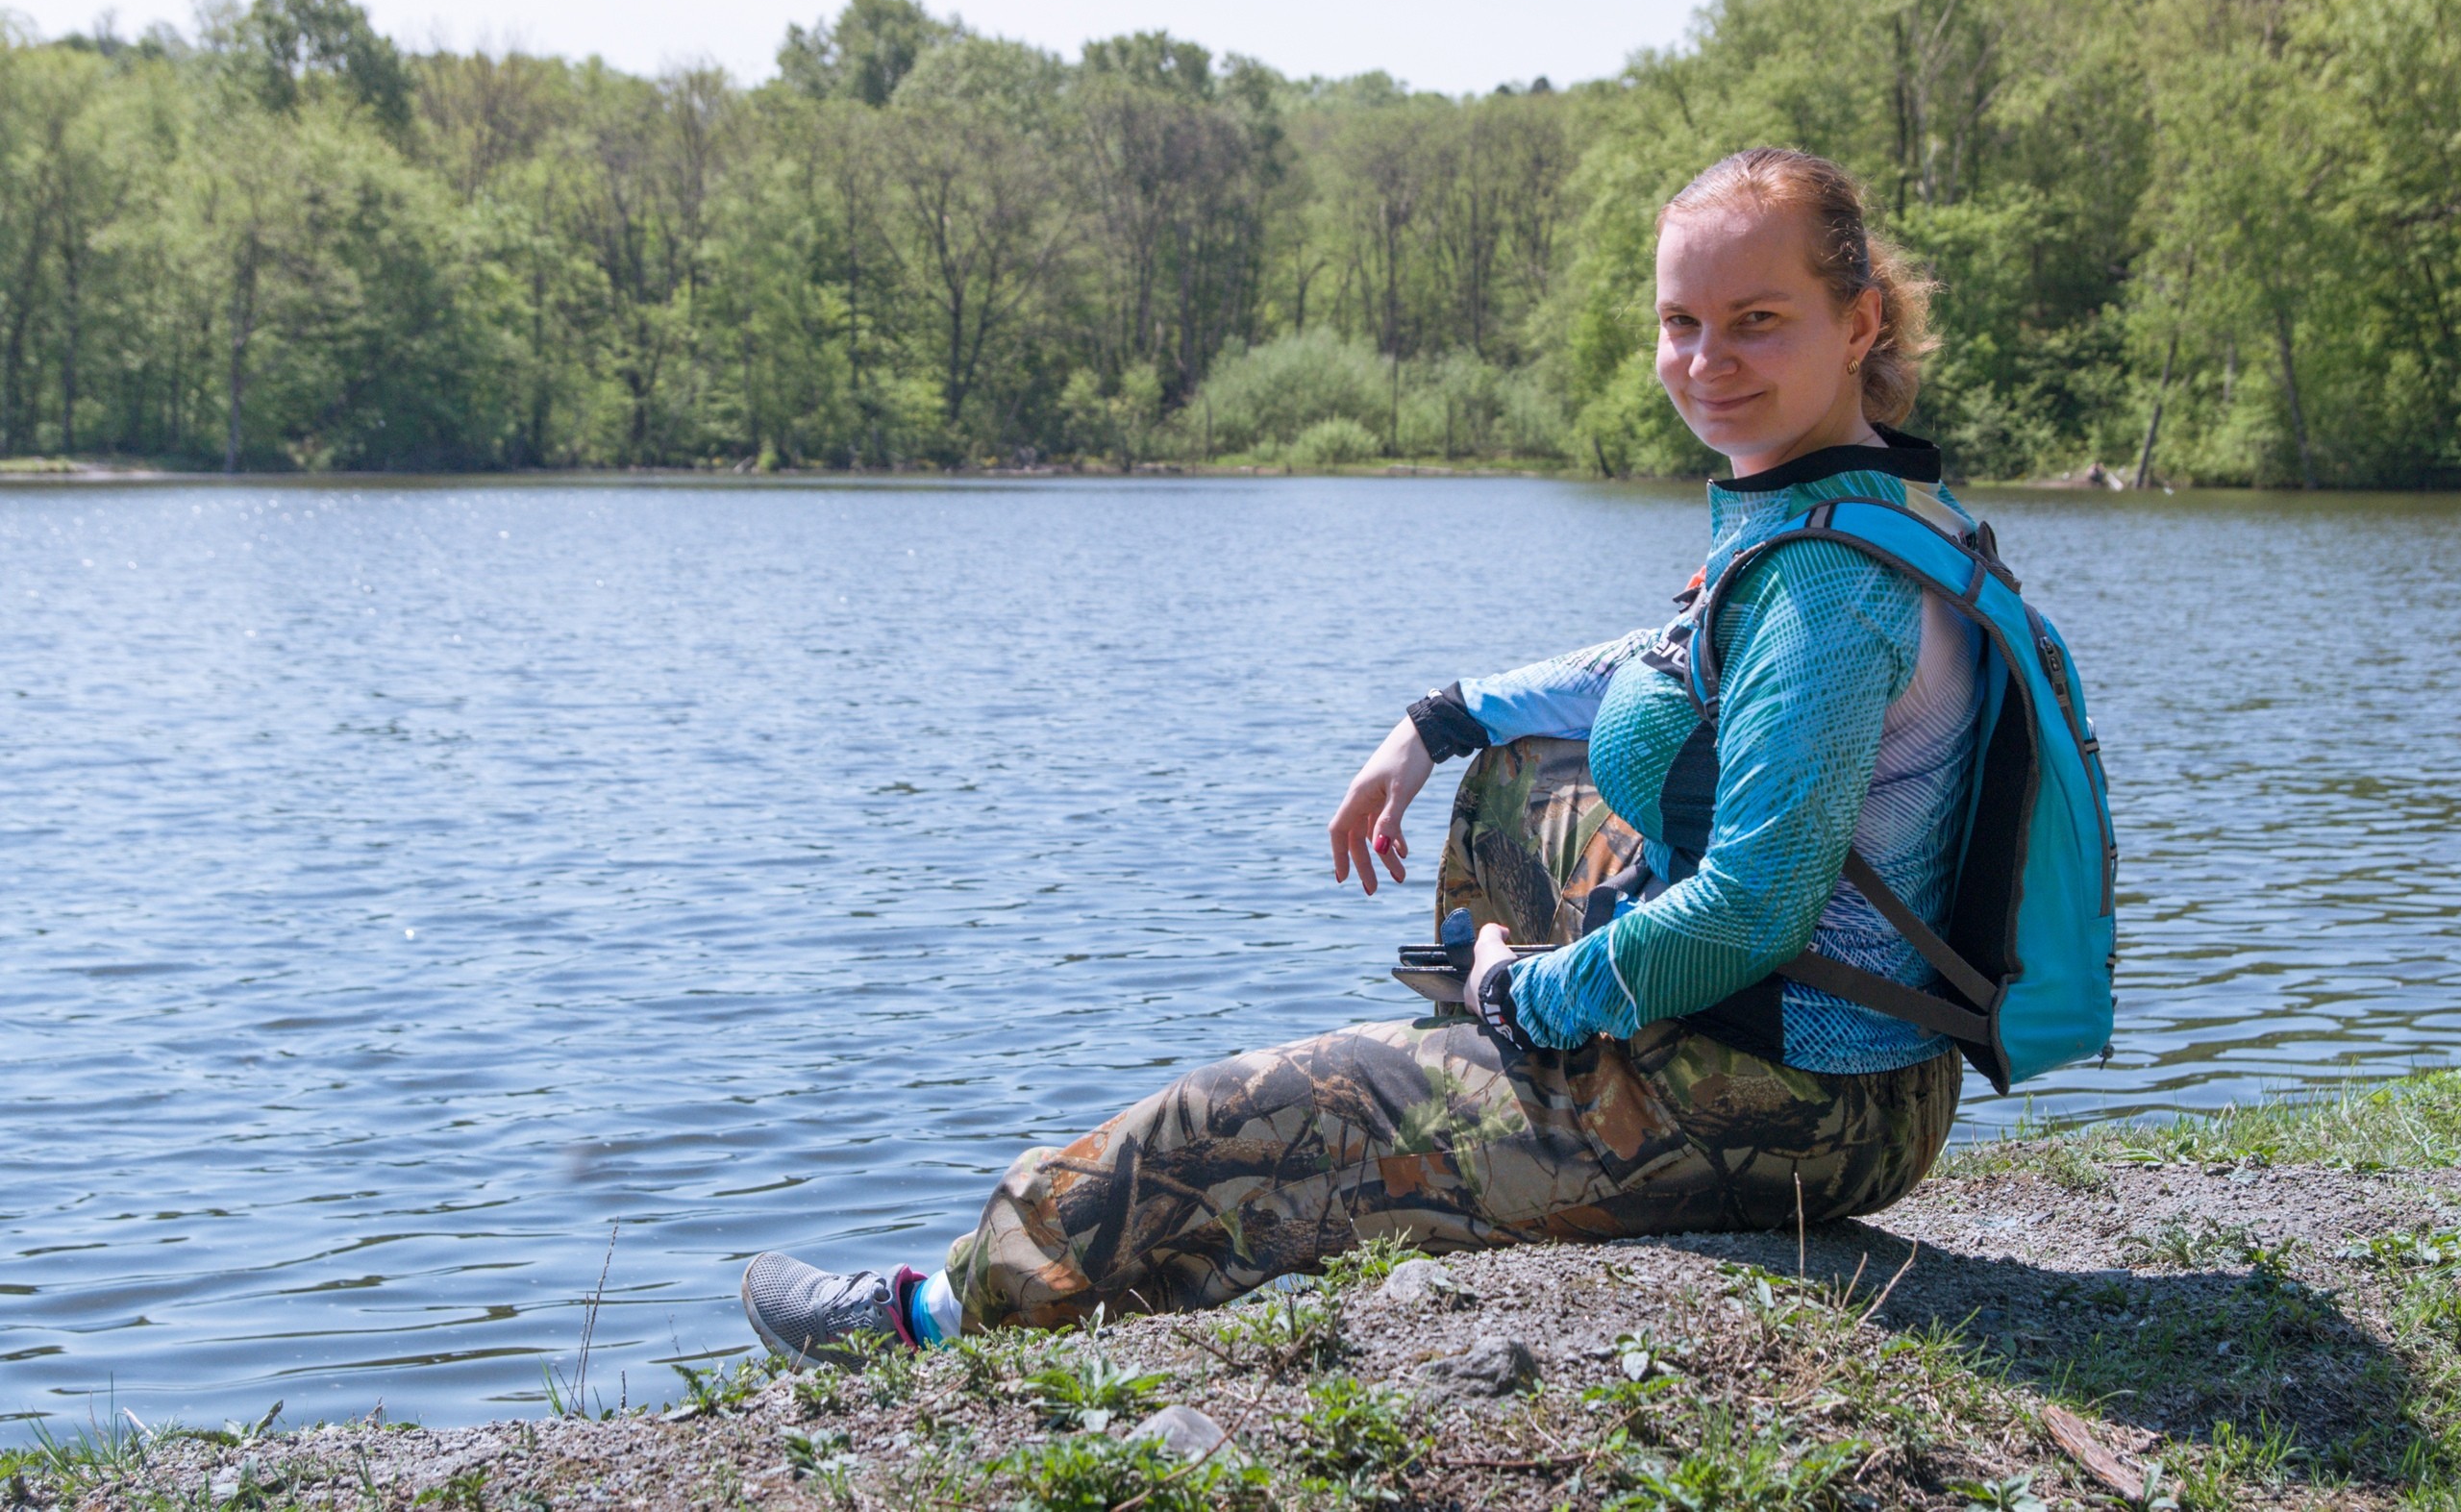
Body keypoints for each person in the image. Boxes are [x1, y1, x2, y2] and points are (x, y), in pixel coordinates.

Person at [739, 146, 1978, 1362]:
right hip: (1859, 1059)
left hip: (1796, 1111)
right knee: (1519, 774)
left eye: (1756, 320)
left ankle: (932, 1314)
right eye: (1681, 322)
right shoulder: (1875, 508)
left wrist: (1523, 992)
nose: (1707, 361)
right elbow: (1660, 660)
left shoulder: (1827, 588)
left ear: (1860, 321)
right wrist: (1439, 717)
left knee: (1224, 1117)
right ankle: (1502, 1078)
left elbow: (1753, 910)